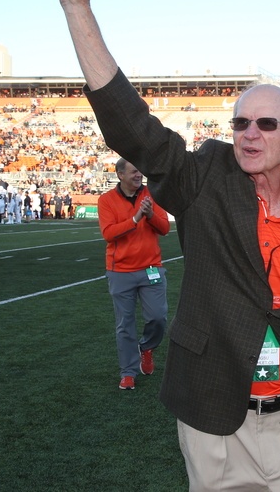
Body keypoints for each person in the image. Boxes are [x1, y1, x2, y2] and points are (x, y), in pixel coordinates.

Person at [57, 0, 280, 490]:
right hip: (214, 424)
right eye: (240, 122)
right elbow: (137, 133)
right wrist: (78, 9)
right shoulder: (206, 179)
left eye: (266, 124)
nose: (249, 133)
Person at [98, 158, 172, 391]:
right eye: (134, 171)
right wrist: (135, 219)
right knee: (125, 324)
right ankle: (128, 372)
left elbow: (165, 228)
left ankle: (146, 347)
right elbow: (109, 234)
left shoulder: (152, 194)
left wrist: (149, 215)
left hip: (151, 268)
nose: (139, 175)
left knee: (158, 317)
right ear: (120, 175)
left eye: (140, 171)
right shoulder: (106, 200)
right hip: (120, 271)